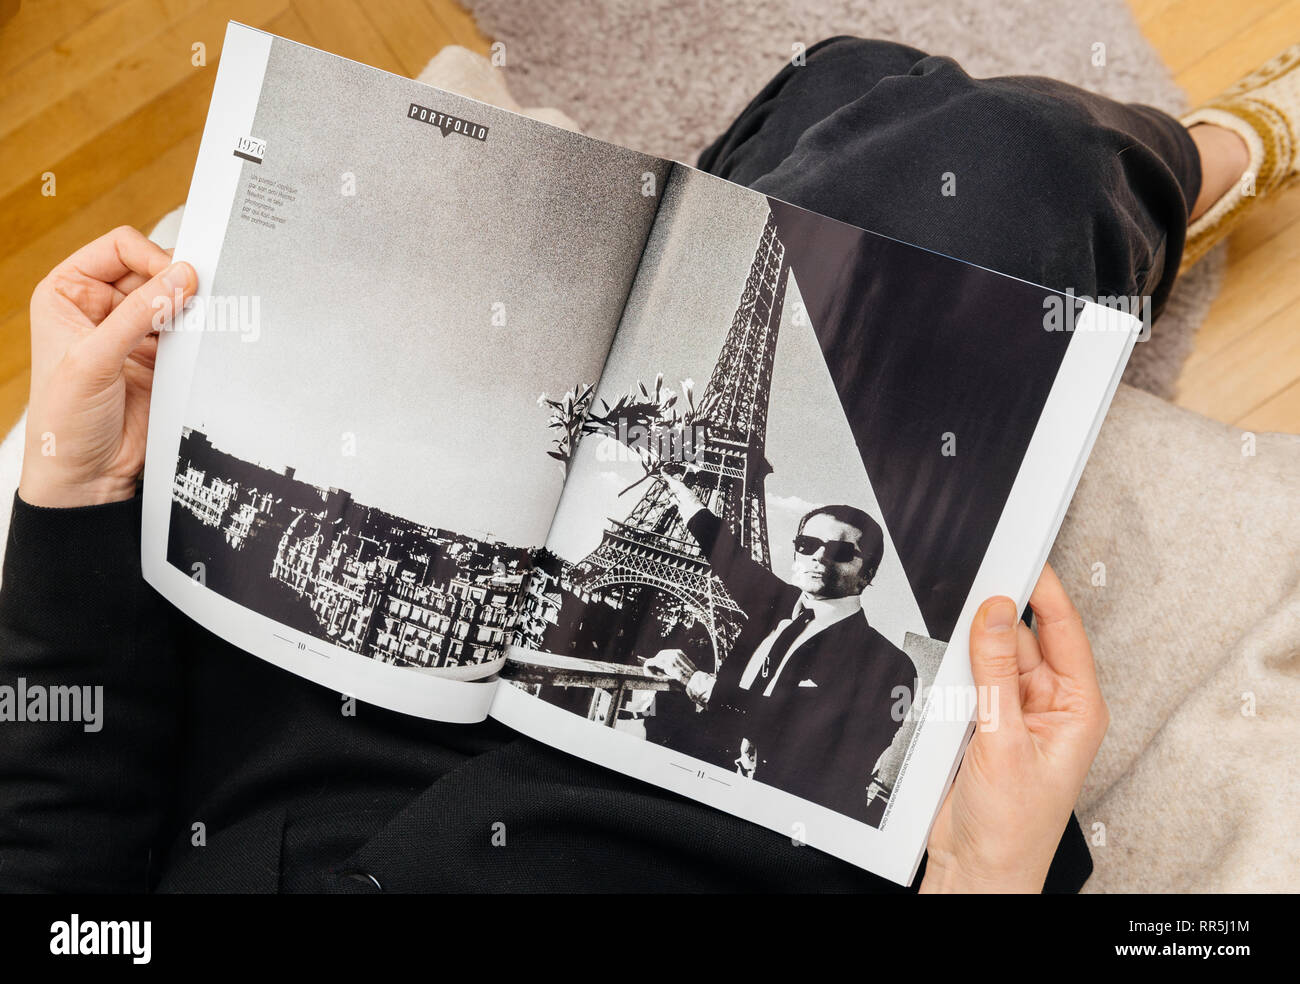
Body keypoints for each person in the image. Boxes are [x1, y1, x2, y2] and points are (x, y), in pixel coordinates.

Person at [3, 35, 1296, 893]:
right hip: (704, 826)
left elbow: (51, 880)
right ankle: (1203, 158)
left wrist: (67, 503)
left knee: (830, 146)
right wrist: (984, 890)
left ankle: (809, 146)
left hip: (293, 746)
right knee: (1003, 162)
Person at [645, 476, 917, 824]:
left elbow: (815, 738)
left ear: (867, 574)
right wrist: (680, 490)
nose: (819, 556)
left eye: (840, 551)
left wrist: (701, 683)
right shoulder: (776, 602)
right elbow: (725, 551)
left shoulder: (892, 666)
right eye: (807, 544)